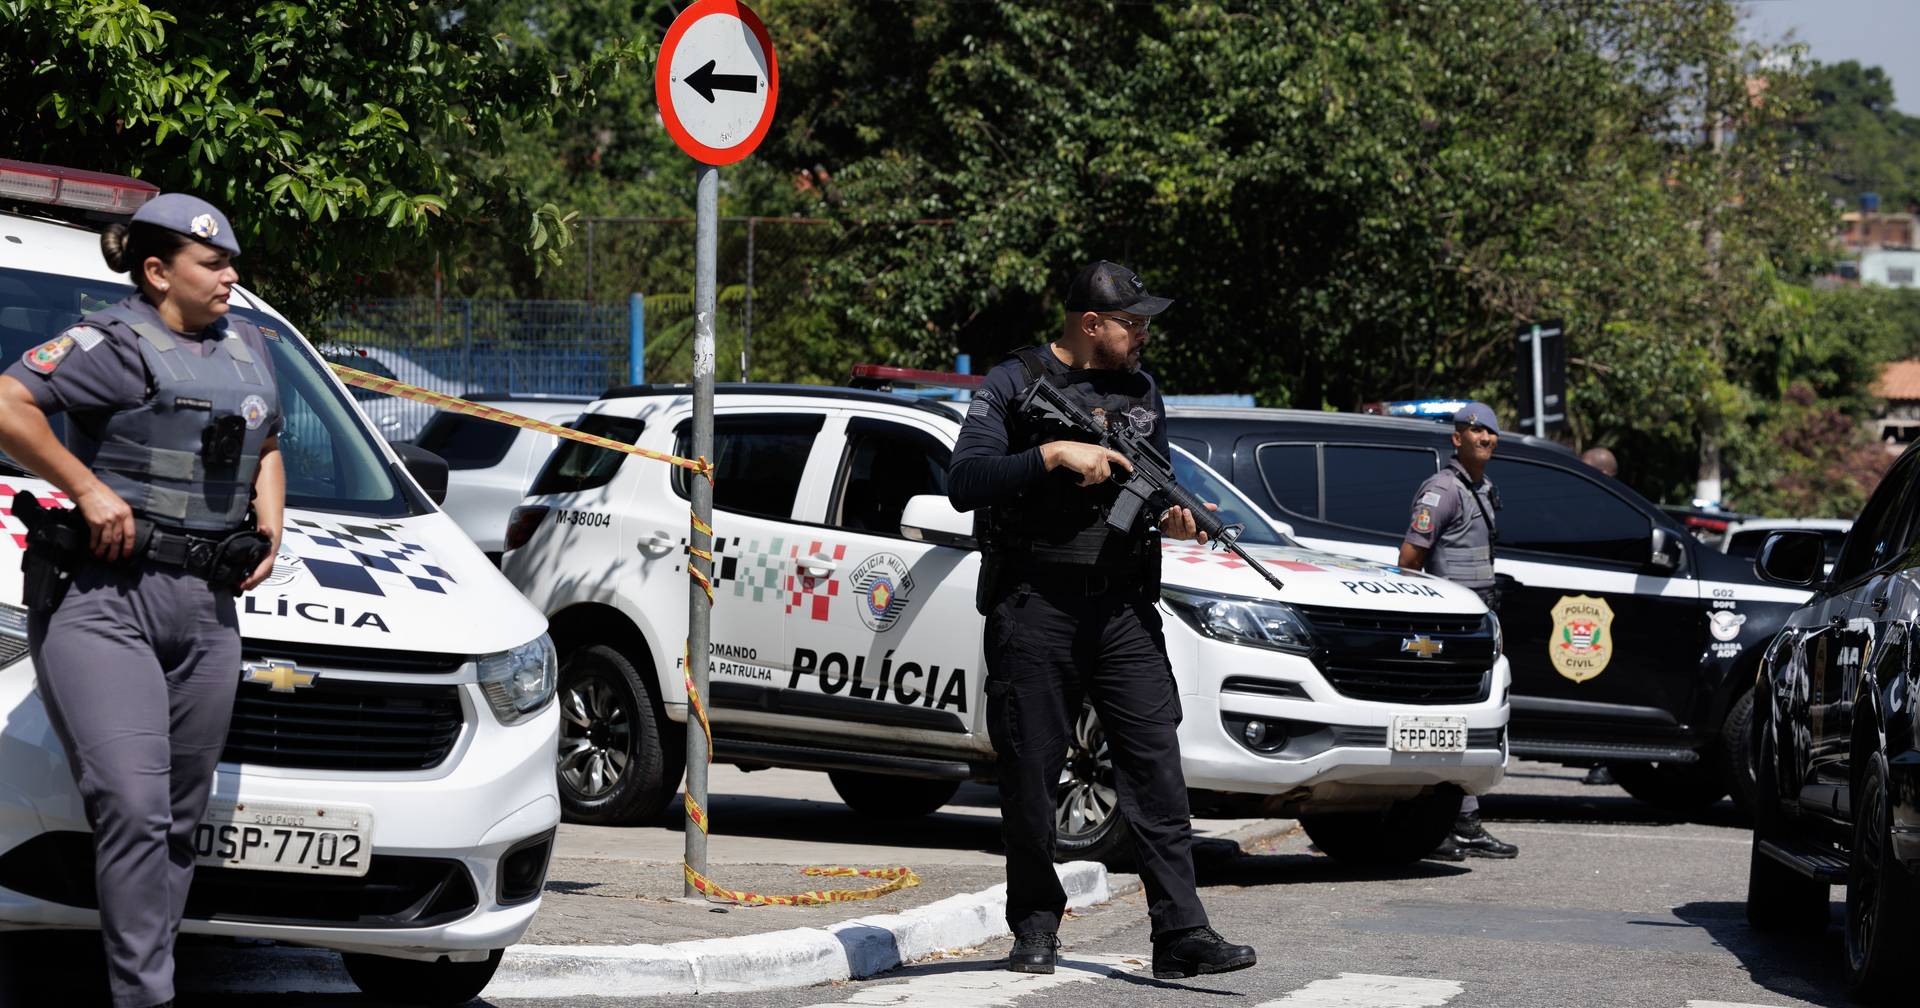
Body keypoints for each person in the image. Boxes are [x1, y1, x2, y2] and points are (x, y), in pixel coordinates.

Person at [0, 194, 284, 1008]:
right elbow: (9, 404)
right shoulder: (111, 345)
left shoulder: (251, 347)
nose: (229, 277)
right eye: (213, 264)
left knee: (179, 822)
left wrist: (273, 522)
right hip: (105, 602)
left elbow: (266, 442)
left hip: (208, 610)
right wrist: (86, 489)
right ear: (158, 272)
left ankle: (145, 987)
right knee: (133, 804)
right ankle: (146, 998)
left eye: (231, 264)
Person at [948, 261, 1256, 979]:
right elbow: (965, 480)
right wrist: (1052, 453)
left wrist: (1177, 519)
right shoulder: (1014, 382)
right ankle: (1034, 926)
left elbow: (1155, 486)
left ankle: (1180, 932)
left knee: (1156, 769)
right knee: (1032, 776)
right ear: (1091, 324)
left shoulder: (1143, 390)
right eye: (1132, 322)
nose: (1143, 334)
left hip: (1122, 608)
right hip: (1037, 605)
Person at [1397, 402, 1520, 862]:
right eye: (1476, 431)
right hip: (1446, 628)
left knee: (1469, 721)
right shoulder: (1443, 489)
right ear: (1457, 438)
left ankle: (1463, 820)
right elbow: (1409, 560)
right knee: (1443, 721)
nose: (1485, 439)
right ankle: (1440, 823)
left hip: (1475, 624)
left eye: (1491, 433)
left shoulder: (1482, 488)